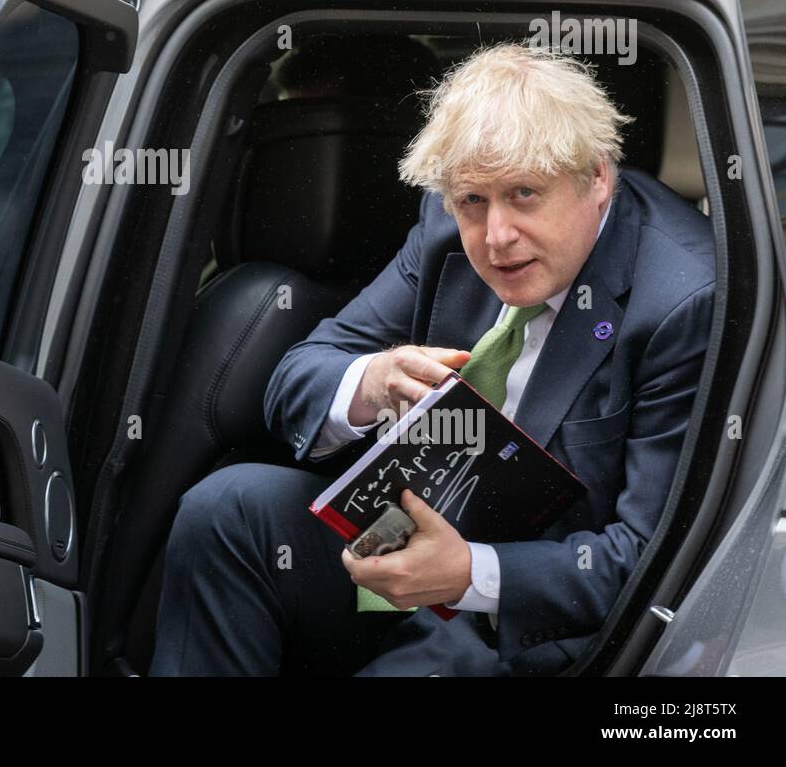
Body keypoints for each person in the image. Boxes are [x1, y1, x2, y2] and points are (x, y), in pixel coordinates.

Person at [149, 42, 716, 676]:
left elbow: (656, 560)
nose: (497, 236)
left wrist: (468, 574)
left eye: (525, 194)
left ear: (599, 176)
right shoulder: (447, 230)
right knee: (226, 510)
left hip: (529, 617)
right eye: (473, 201)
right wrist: (373, 378)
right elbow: (298, 376)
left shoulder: (681, 299)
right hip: (404, 538)